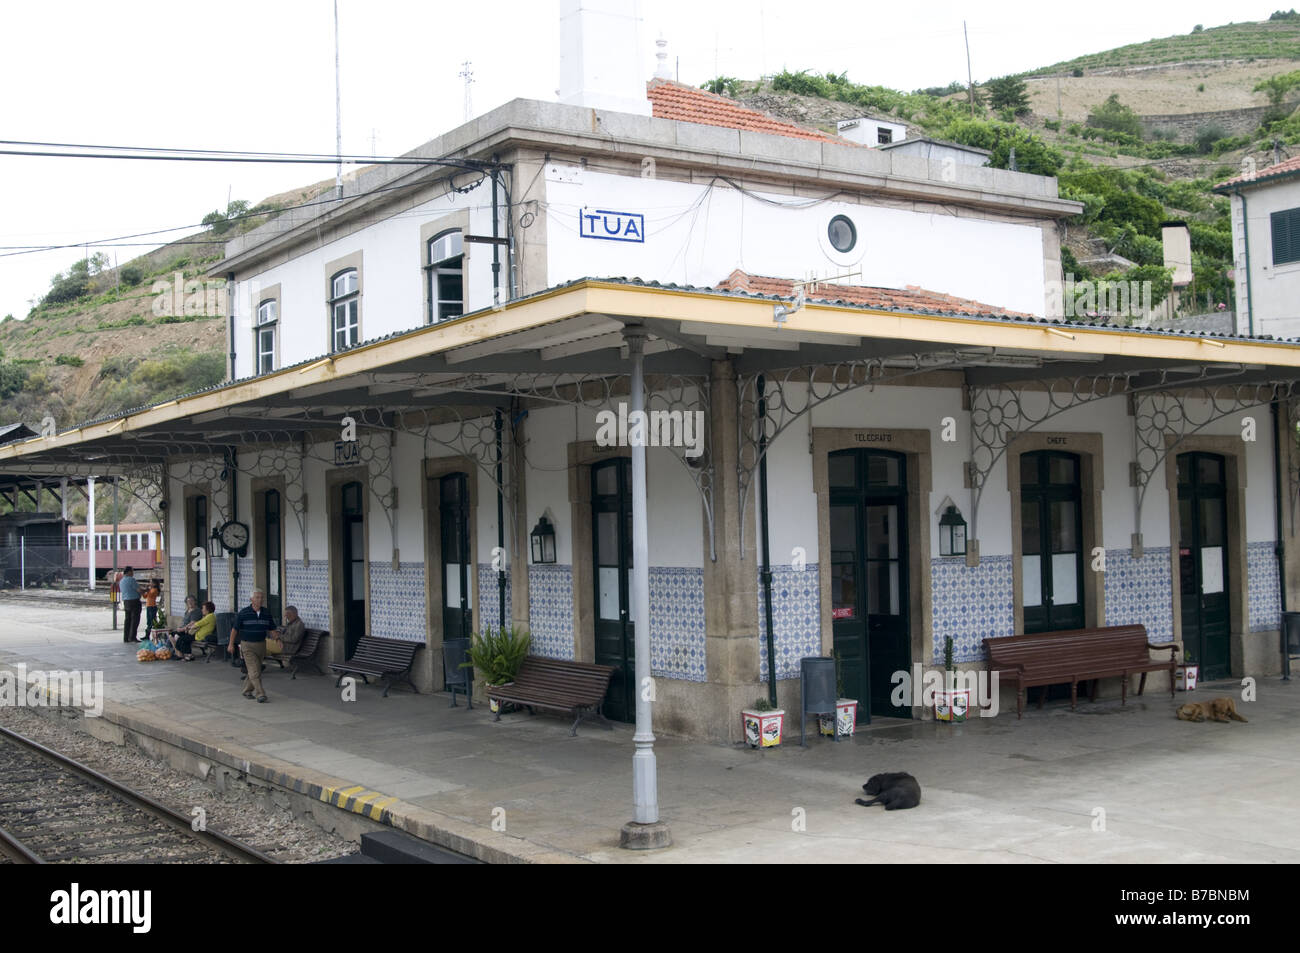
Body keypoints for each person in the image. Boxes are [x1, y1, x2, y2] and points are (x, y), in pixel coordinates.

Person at [230, 590, 277, 703]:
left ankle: (246, 690)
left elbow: (272, 628)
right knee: (254, 670)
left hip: (261, 644)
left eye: (261, 597)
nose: (260, 600)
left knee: (255, 670)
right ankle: (260, 694)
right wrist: (231, 644)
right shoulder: (244, 613)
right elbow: (235, 629)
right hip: (247, 645)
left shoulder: (266, 613)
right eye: (257, 597)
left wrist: (277, 639)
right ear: (251, 599)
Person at [120, 567, 142, 643]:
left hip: (126, 602)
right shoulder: (131, 580)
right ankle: (132, 637)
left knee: (127, 620)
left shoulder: (122, 581)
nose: (133, 573)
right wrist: (144, 591)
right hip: (134, 601)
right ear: (129, 572)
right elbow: (138, 590)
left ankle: (126, 638)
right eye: (132, 571)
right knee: (135, 620)